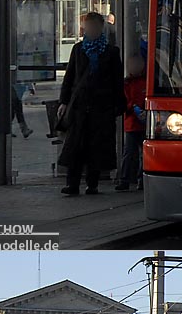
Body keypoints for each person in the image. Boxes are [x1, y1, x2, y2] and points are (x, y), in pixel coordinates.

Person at [57, 11, 125, 196]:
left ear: (101, 28)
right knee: (75, 145)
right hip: (80, 106)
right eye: (88, 26)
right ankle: (72, 183)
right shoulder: (79, 49)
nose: (91, 30)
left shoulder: (111, 52)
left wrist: (119, 105)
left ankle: (92, 183)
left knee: (96, 146)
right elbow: (70, 77)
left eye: (94, 26)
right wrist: (63, 102)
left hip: (101, 107)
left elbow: (117, 81)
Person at [114, 53, 145, 192]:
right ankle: (125, 179)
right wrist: (133, 107)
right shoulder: (126, 84)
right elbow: (123, 102)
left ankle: (139, 179)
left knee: (141, 154)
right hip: (132, 123)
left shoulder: (144, 82)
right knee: (130, 152)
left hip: (140, 123)